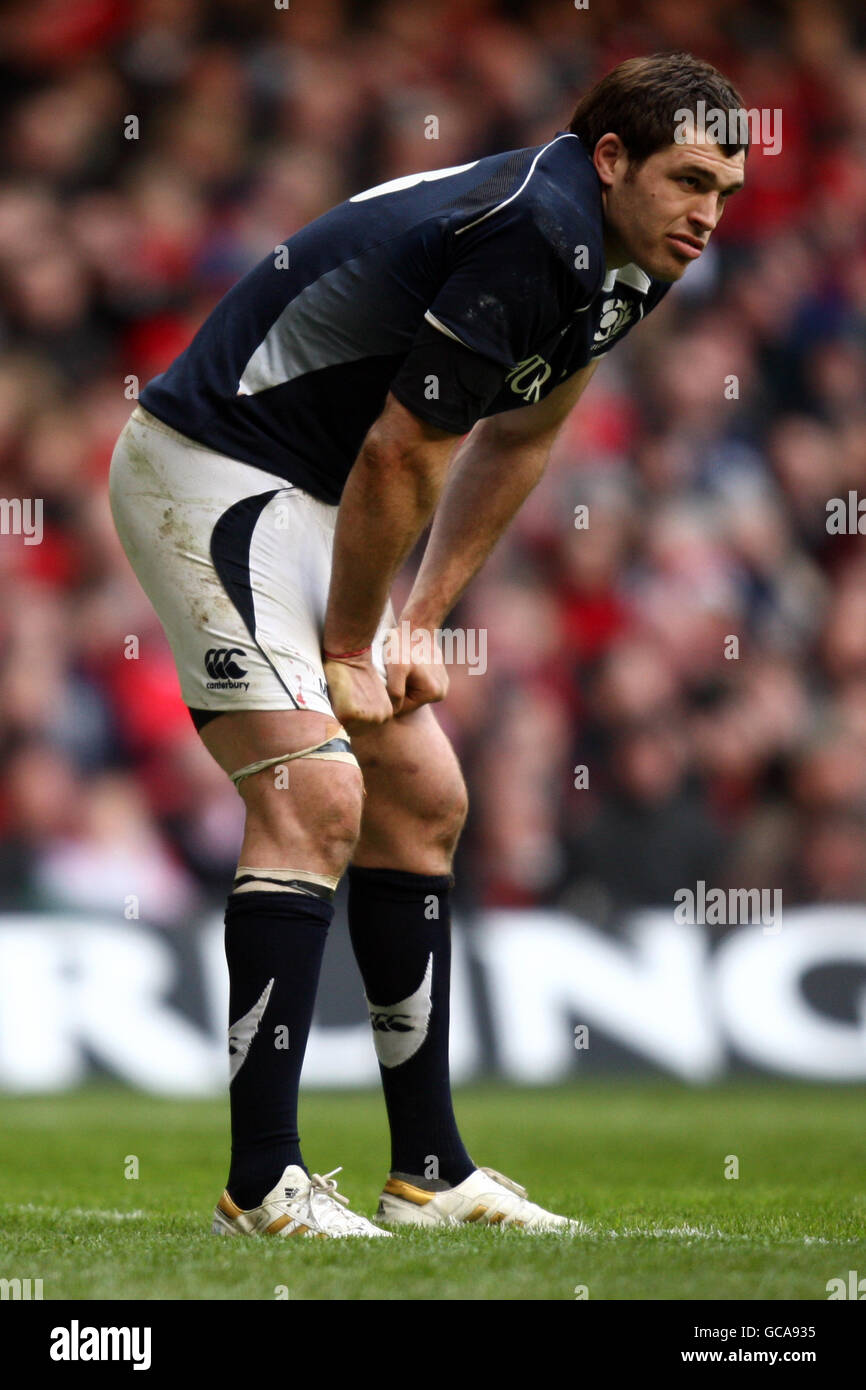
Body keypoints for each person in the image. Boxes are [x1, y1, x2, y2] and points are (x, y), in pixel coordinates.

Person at [109, 51, 746, 1238]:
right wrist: (356, 641)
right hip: (211, 468)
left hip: (307, 492)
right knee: (313, 796)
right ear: (610, 160)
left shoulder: (626, 257)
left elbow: (516, 440)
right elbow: (403, 454)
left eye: (727, 191)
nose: (708, 216)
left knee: (424, 800)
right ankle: (259, 1188)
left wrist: (418, 620)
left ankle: (430, 1175)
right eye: (689, 180)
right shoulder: (538, 232)